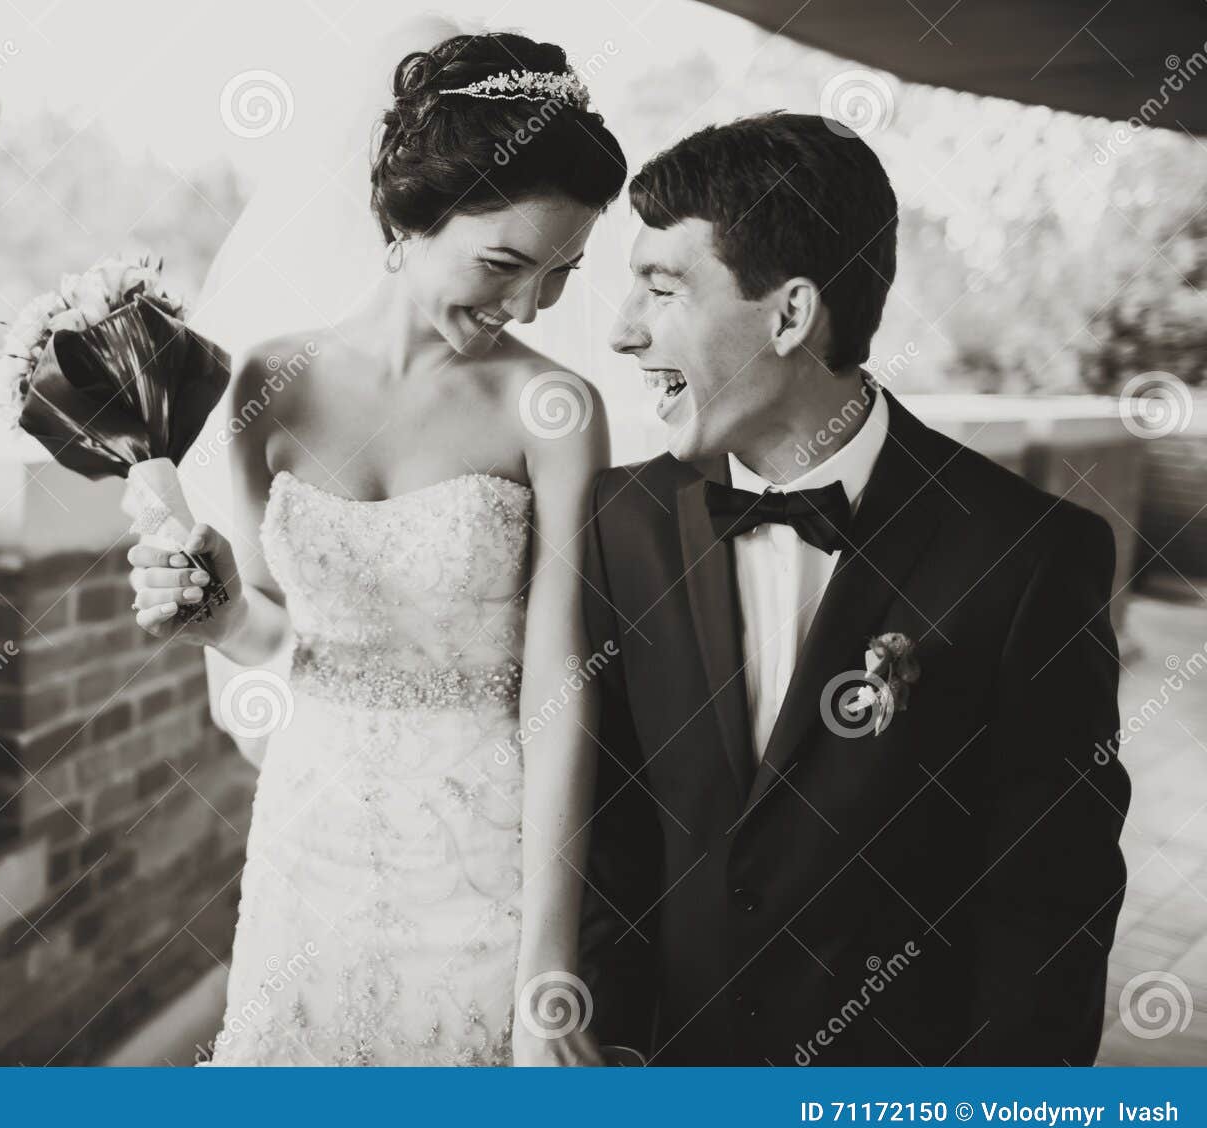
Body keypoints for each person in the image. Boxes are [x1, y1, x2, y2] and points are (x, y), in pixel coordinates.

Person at [581, 111, 1131, 1064]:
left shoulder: (1031, 554)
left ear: (790, 314)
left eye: (661, 289)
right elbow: (605, 842)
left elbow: (1048, 905)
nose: (622, 332)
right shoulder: (615, 522)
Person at [129, 31, 627, 1065]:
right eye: (505, 263)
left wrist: (549, 965)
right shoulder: (270, 383)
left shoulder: (555, 410)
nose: (529, 305)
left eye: (561, 274)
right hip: (310, 841)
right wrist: (218, 614)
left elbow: (560, 680)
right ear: (411, 215)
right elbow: (274, 633)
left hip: (485, 861)